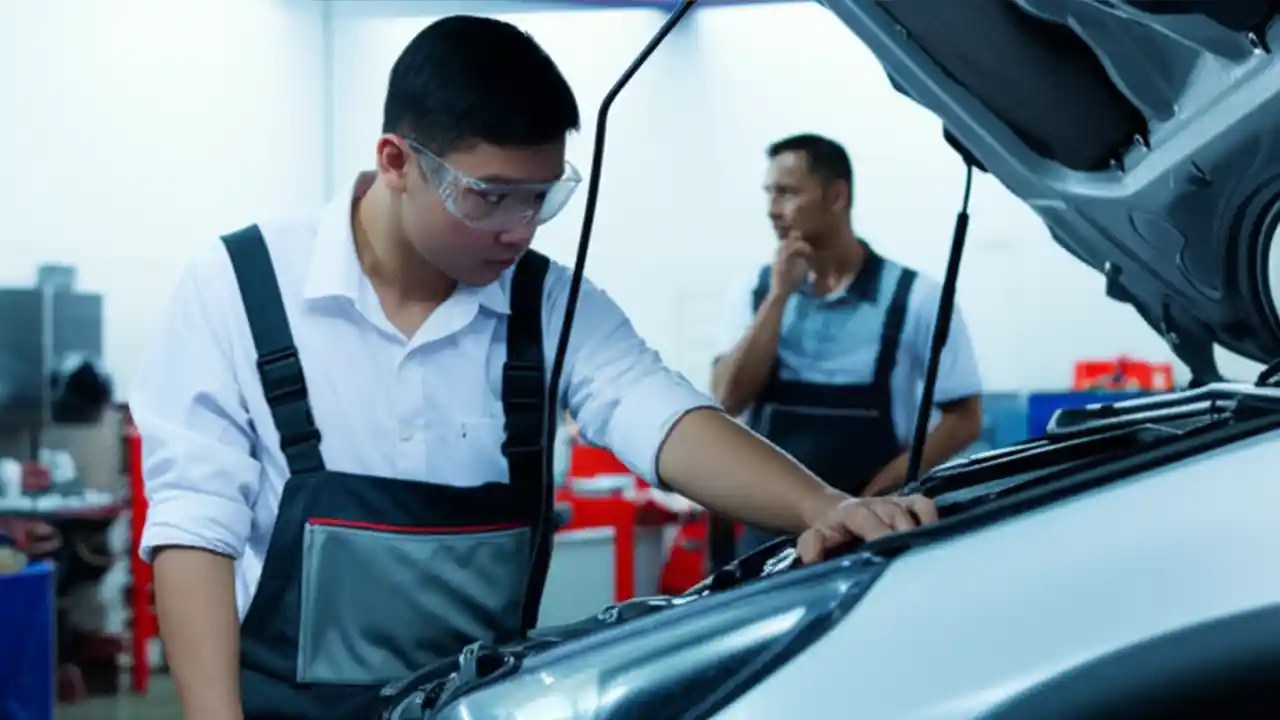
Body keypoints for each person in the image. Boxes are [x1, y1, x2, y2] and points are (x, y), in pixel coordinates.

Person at [130, 18, 940, 720]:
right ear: (396, 161)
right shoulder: (241, 289)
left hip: (482, 705)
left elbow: (658, 412)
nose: (519, 228)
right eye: (491, 196)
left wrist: (820, 505)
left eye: (542, 198)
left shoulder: (547, 304)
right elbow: (196, 525)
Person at [712, 133, 983, 555]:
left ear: (837, 195)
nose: (772, 209)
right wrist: (779, 296)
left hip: (877, 529)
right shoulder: (754, 292)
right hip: (769, 538)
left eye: (787, 192)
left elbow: (964, 419)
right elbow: (726, 399)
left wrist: (877, 494)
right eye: (768, 193)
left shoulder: (918, 297)